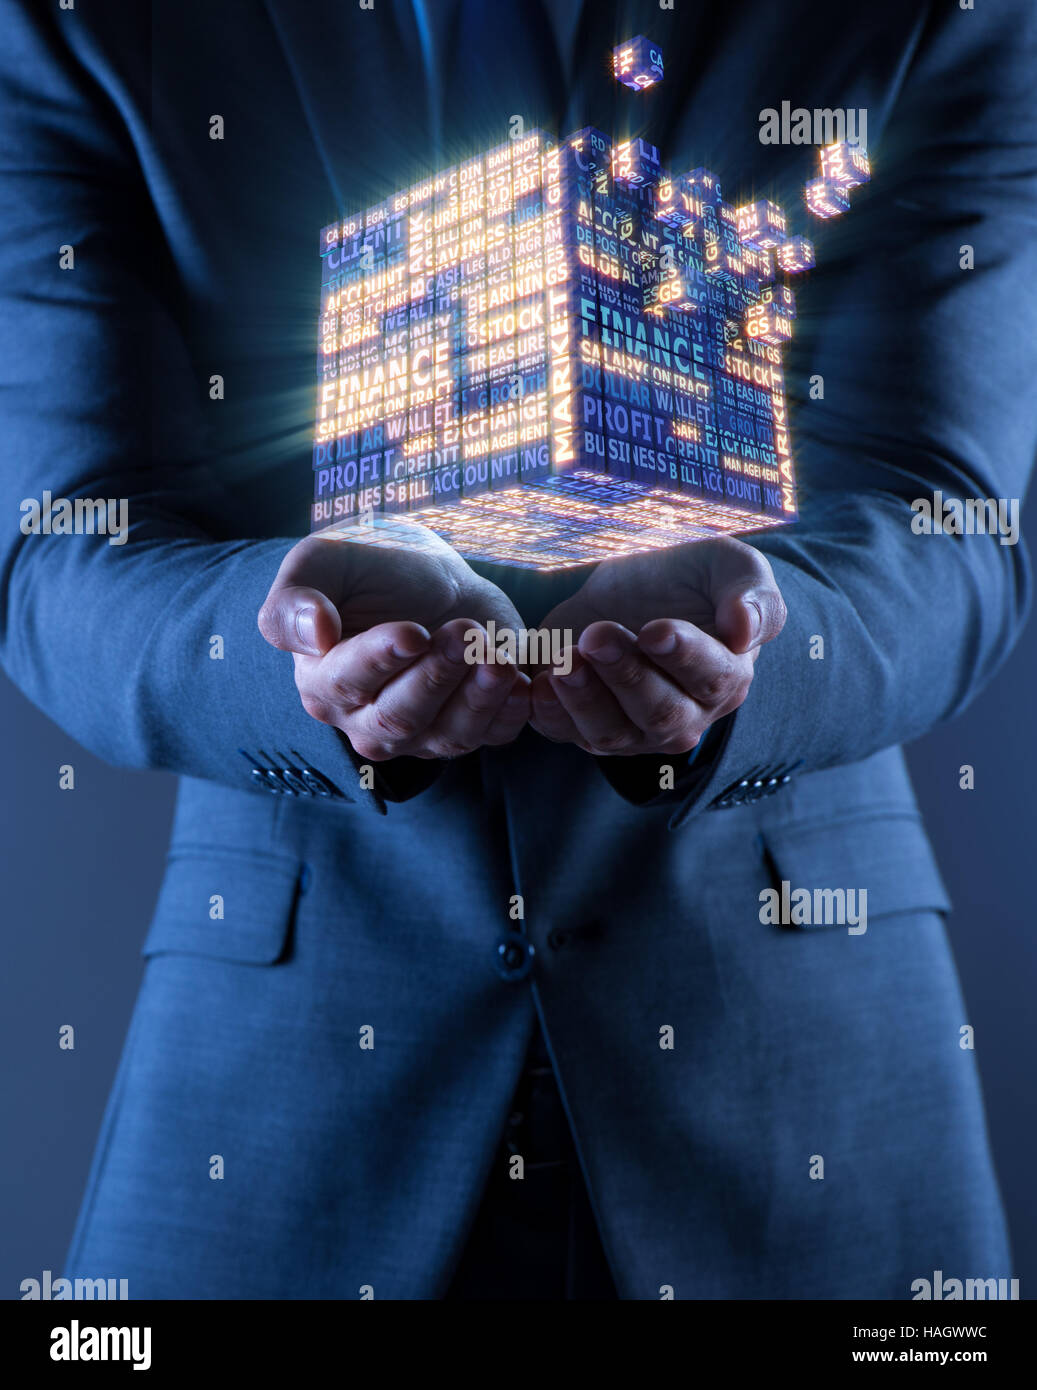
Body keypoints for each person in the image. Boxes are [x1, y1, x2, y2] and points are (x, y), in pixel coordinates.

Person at [1, 0, 1032, 1299]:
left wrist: (767, 621)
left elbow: (946, 517)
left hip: (794, 1083)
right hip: (283, 1087)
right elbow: (65, 549)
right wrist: (294, 643)